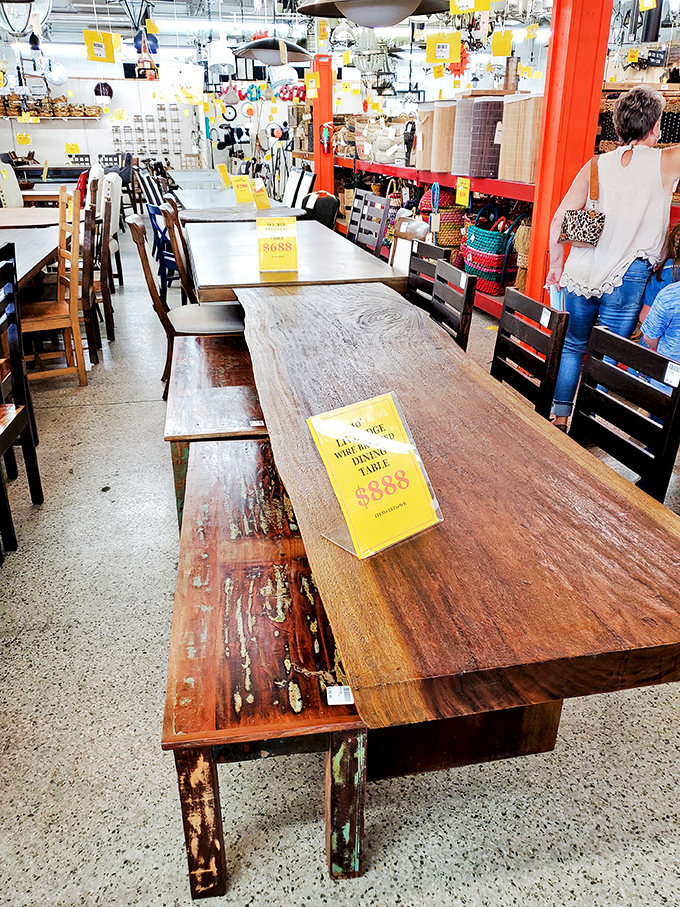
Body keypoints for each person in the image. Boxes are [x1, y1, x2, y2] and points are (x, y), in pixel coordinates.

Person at [546, 84, 680, 430]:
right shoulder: (665, 162)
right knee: (606, 353)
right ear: (655, 125)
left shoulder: (596, 165)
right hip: (628, 275)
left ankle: (560, 417)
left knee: (574, 346)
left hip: (580, 270)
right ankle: (588, 421)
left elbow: (560, 217)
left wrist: (556, 265)